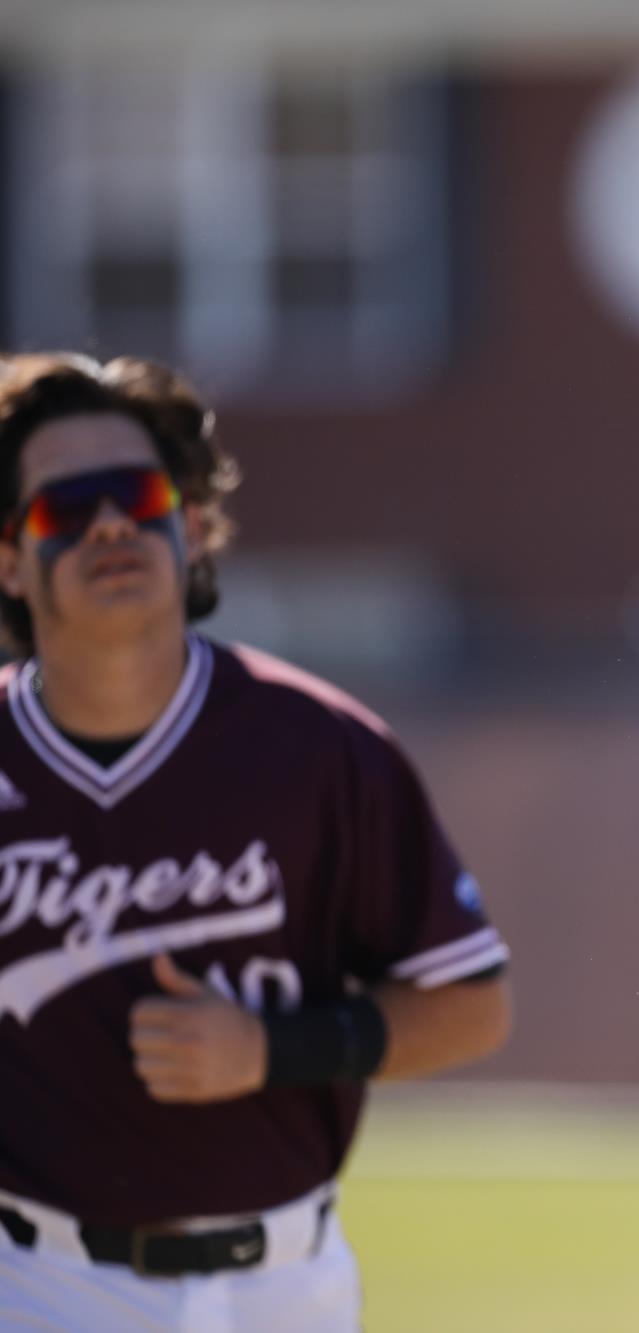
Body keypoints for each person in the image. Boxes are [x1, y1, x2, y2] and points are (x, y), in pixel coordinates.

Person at [0, 354, 512, 1332]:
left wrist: (273, 1049)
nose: (110, 524)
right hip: (34, 1282)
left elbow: (472, 1006)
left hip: (283, 1286)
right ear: (8, 557)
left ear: (189, 526)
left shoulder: (320, 747)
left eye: (138, 493)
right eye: (66, 506)